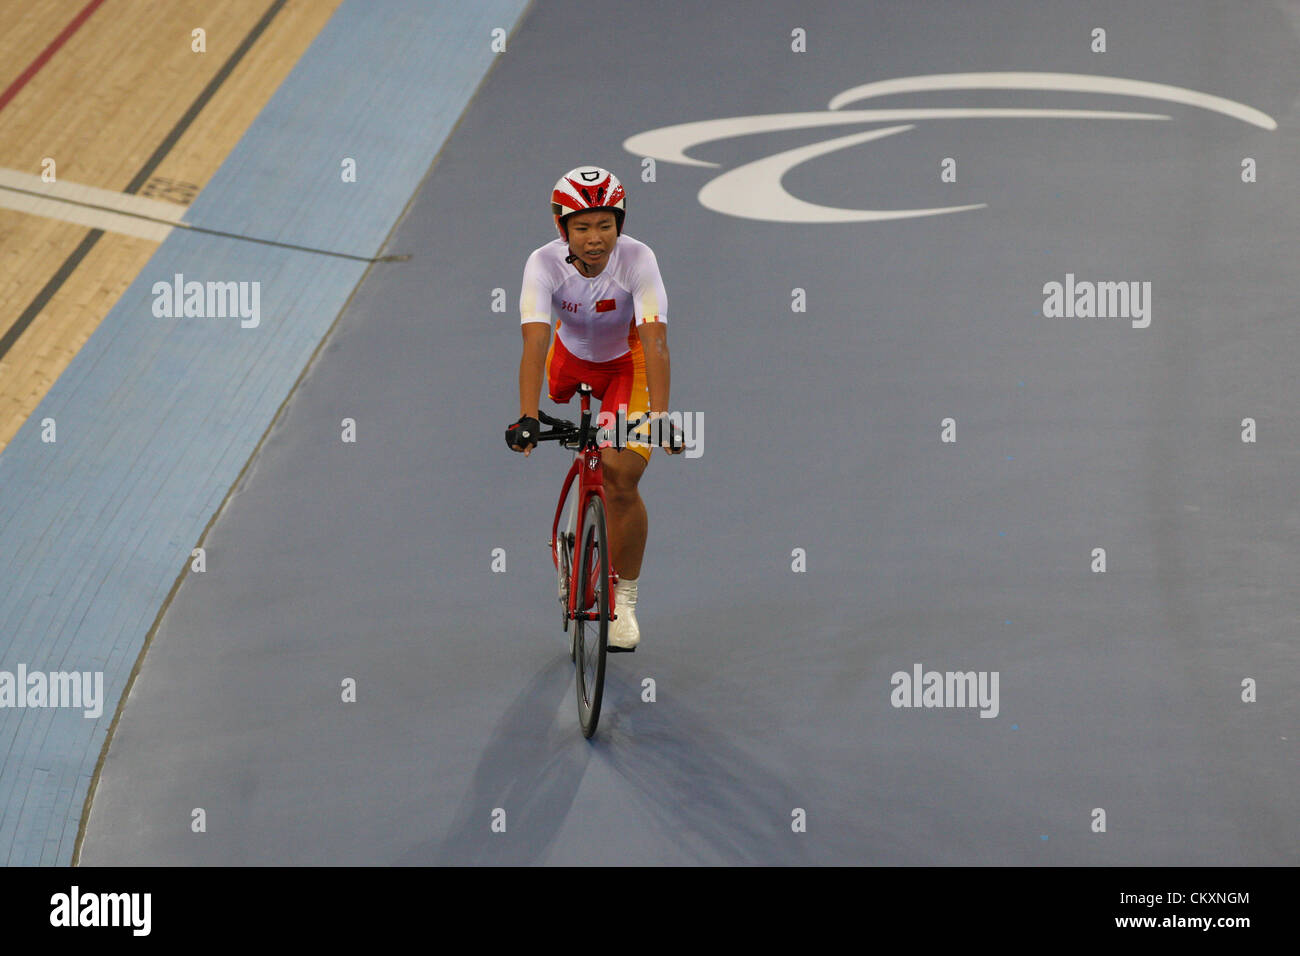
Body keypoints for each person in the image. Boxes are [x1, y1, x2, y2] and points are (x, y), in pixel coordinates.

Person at [505, 165, 681, 651]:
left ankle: (623, 599)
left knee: (622, 478)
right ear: (563, 228)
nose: (595, 239)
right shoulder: (541, 264)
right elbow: (535, 344)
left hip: (630, 368)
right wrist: (527, 414)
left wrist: (660, 419)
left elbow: (656, 342)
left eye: (605, 225)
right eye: (582, 227)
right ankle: (581, 494)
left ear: (619, 224)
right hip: (569, 364)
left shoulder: (639, 259)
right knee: (578, 432)